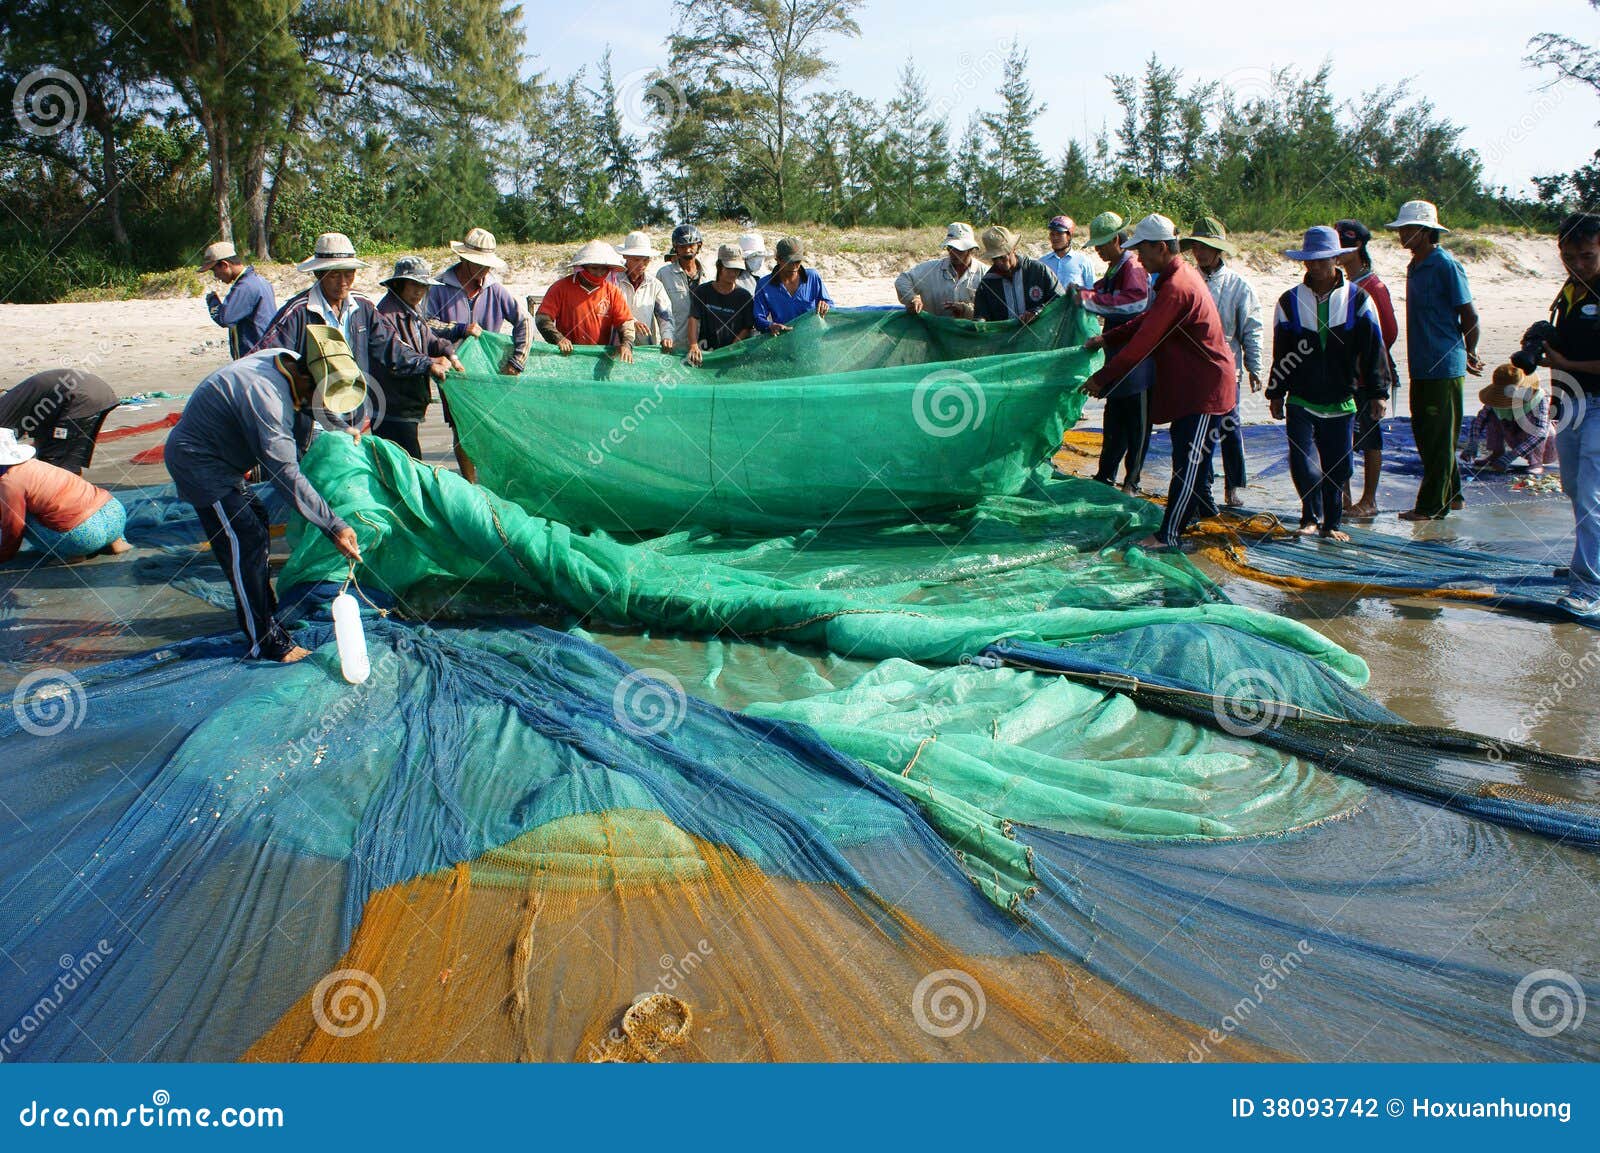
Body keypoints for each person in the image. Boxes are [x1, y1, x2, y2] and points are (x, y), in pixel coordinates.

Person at [164, 329, 367, 663]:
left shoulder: (287, 362)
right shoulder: (267, 399)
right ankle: (266, 642)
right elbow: (285, 473)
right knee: (245, 543)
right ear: (307, 379)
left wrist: (342, 427)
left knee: (256, 520)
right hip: (200, 464)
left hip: (228, 459)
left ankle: (264, 612)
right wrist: (333, 527)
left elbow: (313, 404)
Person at [1083, 214, 1236, 547]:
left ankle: (1169, 535)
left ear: (1162, 248)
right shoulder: (1171, 278)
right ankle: (1203, 514)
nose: (1138, 257)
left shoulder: (1179, 285)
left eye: (1143, 250)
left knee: (1189, 463)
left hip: (1205, 388)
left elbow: (1144, 343)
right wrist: (1106, 340)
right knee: (1192, 457)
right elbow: (1145, 320)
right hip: (1190, 386)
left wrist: (1102, 378)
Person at [1264, 227, 1390, 541]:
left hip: (1342, 399)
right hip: (1301, 399)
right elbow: (1281, 352)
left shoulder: (1359, 300)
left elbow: (1374, 348)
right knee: (1304, 464)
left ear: (1336, 259)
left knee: (1339, 468)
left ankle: (1332, 524)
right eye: (1310, 260)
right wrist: (1276, 392)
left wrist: (1378, 392)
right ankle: (1309, 517)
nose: (1315, 267)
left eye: (1322, 260)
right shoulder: (1289, 302)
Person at [252, 233, 452, 394]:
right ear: (318, 274)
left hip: (356, 410)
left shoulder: (362, 307)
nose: (343, 282)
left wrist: (427, 363)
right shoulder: (298, 312)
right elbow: (261, 358)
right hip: (313, 419)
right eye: (334, 275)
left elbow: (391, 347)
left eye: (349, 273)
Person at [1385, 200, 1483, 521]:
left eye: (1408, 229)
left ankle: (1431, 506)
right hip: (1422, 364)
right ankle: (1453, 495)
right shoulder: (1415, 265)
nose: (1402, 234)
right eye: (1401, 229)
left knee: (1438, 437)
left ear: (1426, 232)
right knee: (1427, 431)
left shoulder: (1445, 265)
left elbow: (1468, 314)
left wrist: (1470, 352)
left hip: (1445, 365)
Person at [1181, 217, 1263, 507]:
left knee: (1229, 426)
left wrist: (1255, 366)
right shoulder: (1187, 280)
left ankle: (1234, 484)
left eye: (1206, 247)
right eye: (1196, 247)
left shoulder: (1238, 286)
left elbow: (1251, 328)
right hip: (1192, 367)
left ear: (1218, 251)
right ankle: (1202, 484)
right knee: (1197, 429)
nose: (1200, 253)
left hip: (1227, 366)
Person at [1541, 211, 1600, 617]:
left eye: (1587, 257)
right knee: (1575, 489)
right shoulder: (1571, 290)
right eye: (1569, 257)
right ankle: (1586, 561)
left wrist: (1564, 362)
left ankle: (1589, 589)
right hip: (1571, 405)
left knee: (1591, 495)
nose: (1577, 265)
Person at [1073, 211, 1153, 493]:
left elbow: (1132, 304)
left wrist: (1087, 299)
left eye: (1102, 244)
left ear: (1118, 240)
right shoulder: (1115, 268)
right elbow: (1102, 290)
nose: (1098, 250)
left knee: (1137, 424)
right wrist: (1083, 292)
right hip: (1116, 356)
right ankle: (1105, 475)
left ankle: (1132, 481)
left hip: (1137, 360)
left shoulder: (1132, 268)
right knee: (1115, 418)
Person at [1333, 219, 1399, 519]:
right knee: (1340, 436)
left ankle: (1369, 499)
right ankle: (1343, 498)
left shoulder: (1373, 287)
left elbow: (1389, 331)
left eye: (1342, 246)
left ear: (1357, 247)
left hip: (1368, 378)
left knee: (1370, 437)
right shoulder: (1344, 285)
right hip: (1345, 376)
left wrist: (1364, 359)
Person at [372, 256, 467, 460]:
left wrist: (449, 352)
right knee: (407, 464)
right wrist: (430, 364)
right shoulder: (386, 315)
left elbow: (430, 339)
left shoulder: (411, 310)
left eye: (423, 287)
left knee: (407, 464)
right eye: (413, 285)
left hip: (407, 406)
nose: (418, 292)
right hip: (393, 408)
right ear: (398, 284)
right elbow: (396, 356)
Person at [0, 428, 130, 564]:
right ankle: (117, 542)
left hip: (84, 536)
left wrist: (4, 555)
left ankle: (72, 553)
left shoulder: (9, 482)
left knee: (18, 515)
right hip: (115, 514)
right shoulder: (34, 464)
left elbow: (14, 526)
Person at [427, 227, 530, 377]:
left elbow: (525, 321)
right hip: (450, 371)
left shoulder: (495, 290)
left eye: (487, 264)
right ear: (463, 259)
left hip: (486, 370)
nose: (485, 269)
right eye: (478, 263)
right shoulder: (438, 287)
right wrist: (459, 329)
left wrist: (518, 360)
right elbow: (425, 324)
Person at [0, 369, 119, 474]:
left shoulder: (4, 413)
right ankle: (71, 491)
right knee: (63, 458)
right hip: (93, 392)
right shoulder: (12, 404)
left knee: (55, 463)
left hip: (79, 397)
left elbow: (6, 454)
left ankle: (69, 494)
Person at [535, 241, 637, 361]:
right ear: (583, 266)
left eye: (604, 269)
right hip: (566, 356)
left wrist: (626, 344)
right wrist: (558, 338)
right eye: (594, 268)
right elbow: (542, 318)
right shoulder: (560, 288)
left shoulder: (613, 292)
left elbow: (625, 323)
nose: (599, 273)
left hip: (599, 358)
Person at [1461, 365, 1555, 474]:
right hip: (1515, 436)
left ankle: (1535, 462)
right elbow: (1479, 420)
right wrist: (1473, 443)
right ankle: (1497, 453)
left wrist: (1510, 456)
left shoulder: (1539, 398)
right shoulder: (1496, 400)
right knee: (1492, 415)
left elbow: (1540, 433)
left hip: (1545, 446)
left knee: (1529, 422)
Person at [200, 240, 276, 358]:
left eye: (214, 270)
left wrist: (212, 301)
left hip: (255, 359)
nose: (216, 276)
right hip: (264, 355)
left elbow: (224, 319)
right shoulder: (257, 281)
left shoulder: (245, 286)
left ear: (225, 265)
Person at [894, 223, 986, 318]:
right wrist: (912, 298)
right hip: (932, 330)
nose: (953, 253)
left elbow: (990, 310)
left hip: (971, 331)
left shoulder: (984, 273)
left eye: (959, 249)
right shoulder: (931, 268)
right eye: (950, 248)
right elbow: (903, 280)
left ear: (970, 250)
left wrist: (965, 310)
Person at [973, 225, 1062, 322]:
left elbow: (1060, 300)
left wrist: (1038, 312)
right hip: (1007, 337)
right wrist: (980, 321)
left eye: (1002, 257)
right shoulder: (987, 283)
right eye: (994, 259)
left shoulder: (1038, 270)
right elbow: (981, 315)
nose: (999, 262)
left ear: (1013, 249)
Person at [685, 244, 755, 367]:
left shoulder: (744, 297)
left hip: (732, 357)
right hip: (705, 353)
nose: (733, 273)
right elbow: (693, 318)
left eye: (736, 270)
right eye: (729, 269)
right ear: (719, 266)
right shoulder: (702, 292)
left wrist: (733, 347)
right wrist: (693, 345)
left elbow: (747, 327)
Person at [752, 237, 833, 334]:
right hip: (783, 339)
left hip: (811, 338)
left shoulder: (813, 277)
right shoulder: (764, 284)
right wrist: (770, 326)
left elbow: (829, 305)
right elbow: (758, 318)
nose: (794, 266)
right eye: (789, 262)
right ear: (777, 259)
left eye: (798, 261)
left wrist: (826, 305)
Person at [658, 224, 716, 348]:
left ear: (698, 246)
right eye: (682, 246)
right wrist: (665, 336)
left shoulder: (710, 274)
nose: (687, 249)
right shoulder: (664, 274)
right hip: (675, 344)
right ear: (675, 248)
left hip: (706, 344)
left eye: (691, 245)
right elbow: (659, 310)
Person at [617, 232, 674, 349]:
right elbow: (612, 310)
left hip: (644, 347)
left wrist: (667, 336)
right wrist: (631, 322)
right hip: (616, 344)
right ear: (625, 256)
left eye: (646, 260)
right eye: (637, 259)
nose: (641, 265)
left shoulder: (655, 285)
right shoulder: (613, 281)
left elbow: (665, 314)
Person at [1038, 215, 1095, 290]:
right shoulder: (1042, 263)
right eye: (1052, 234)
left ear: (1069, 236)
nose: (1055, 238)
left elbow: (1091, 291)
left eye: (1059, 234)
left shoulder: (1084, 261)